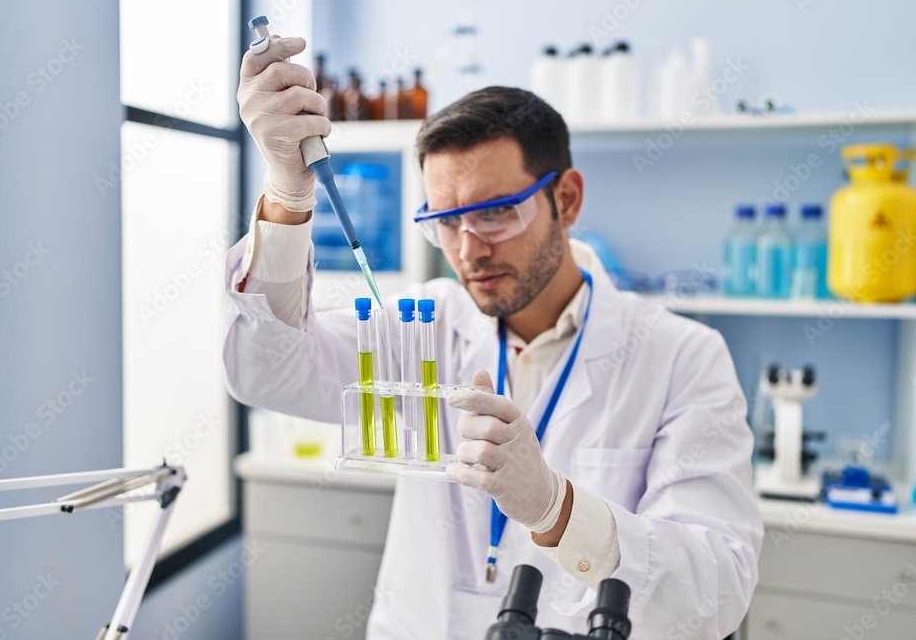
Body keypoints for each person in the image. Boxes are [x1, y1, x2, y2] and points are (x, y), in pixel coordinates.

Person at [225, 35, 762, 639]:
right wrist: (287, 193)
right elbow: (267, 370)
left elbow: (718, 587)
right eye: (446, 221)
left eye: (495, 212)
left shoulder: (681, 356)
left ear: (567, 198)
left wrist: (556, 508)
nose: (468, 249)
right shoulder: (421, 327)